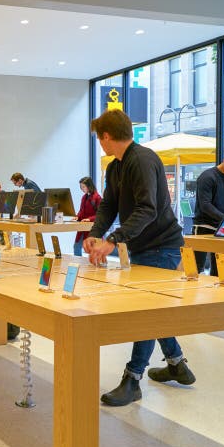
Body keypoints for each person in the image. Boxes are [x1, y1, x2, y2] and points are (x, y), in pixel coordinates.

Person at [83, 109, 195, 407]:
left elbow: (148, 209)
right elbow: (108, 206)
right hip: (143, 247)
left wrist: (112, 241)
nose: (100, 144)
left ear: (106, 136)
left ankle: (132, 380)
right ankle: (177, 364)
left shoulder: (143, 160)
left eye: (99, 138)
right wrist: (95, 234)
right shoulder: (115, 167)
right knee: (154, 308)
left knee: (145, 311)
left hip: (164, 246)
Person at [73, 176, 102, 257]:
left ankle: (92, 266)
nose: (82, 189)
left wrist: (89, 219)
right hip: (82, 227)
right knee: (76, 247)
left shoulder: (97, 198)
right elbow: (81, 210)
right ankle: (78, 264)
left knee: (91, 249)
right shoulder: (84, 197)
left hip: (91, 228)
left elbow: (100, 214)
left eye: (83, 186)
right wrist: (77, 217)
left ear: (89, 186)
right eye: (81, 187)